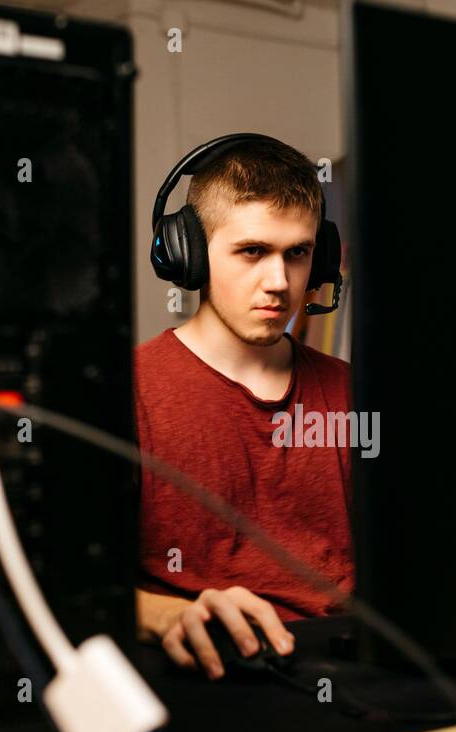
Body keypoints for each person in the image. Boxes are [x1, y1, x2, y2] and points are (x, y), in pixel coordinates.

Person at [134, 136, 353, 679]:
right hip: (207, 671)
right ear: (187, 253)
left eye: (298, 253)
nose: (279, 283)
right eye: (253, 251)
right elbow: (60, 586)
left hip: (350, 668)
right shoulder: (129, 391)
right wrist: (165, 614)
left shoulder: (353, 392)